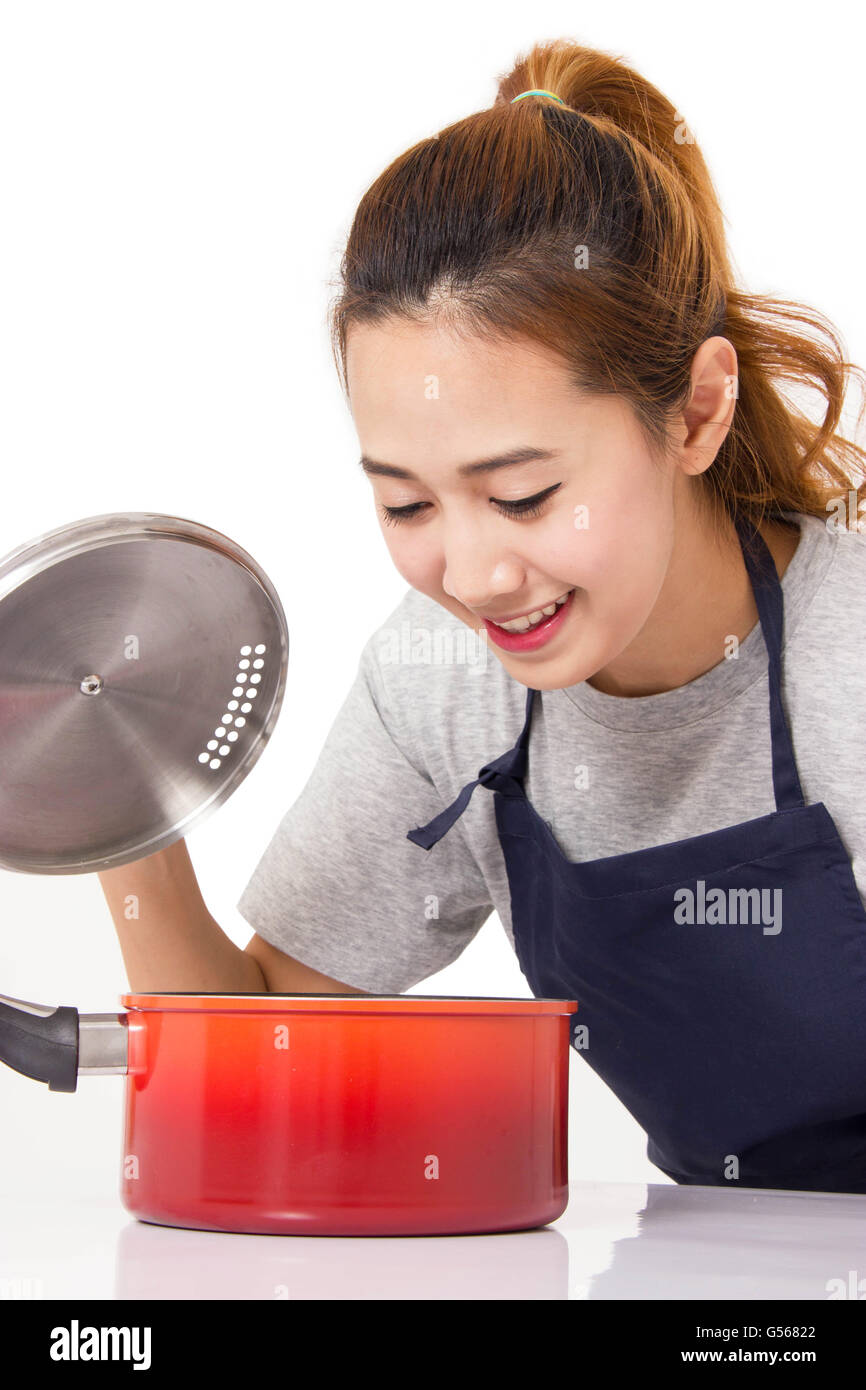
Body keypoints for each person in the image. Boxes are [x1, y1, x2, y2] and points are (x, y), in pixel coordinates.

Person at [99, 39, 866, 1194]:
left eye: (522, 496)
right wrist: (118, 796)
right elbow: (253, 1066)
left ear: (696, 412)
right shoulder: (442, 688)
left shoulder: (845, 661)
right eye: (404, 501)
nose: (472, 575)